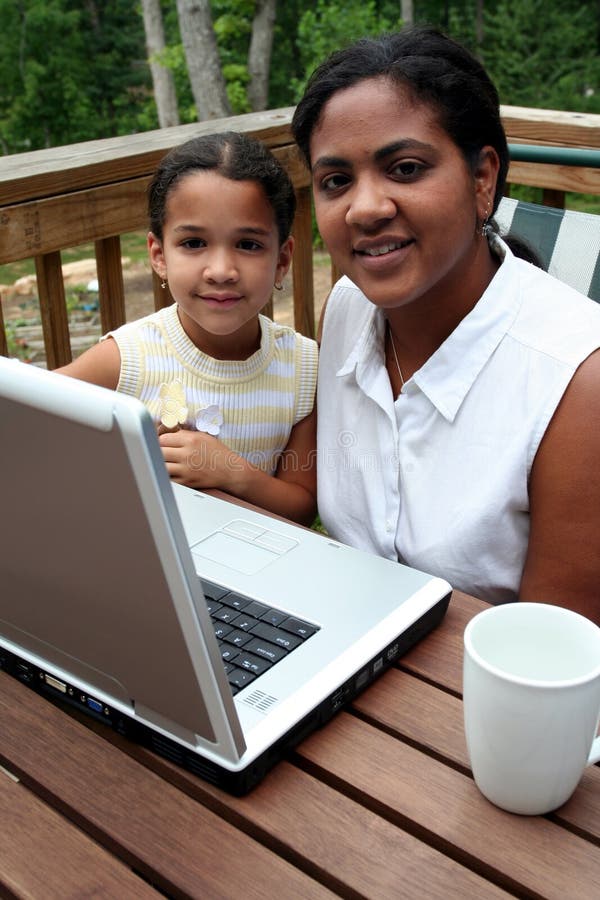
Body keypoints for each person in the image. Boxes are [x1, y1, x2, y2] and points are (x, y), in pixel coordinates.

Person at [291, 25, 600, 621]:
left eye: (405, 168)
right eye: (336, 181)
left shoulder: (576, 385)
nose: (366, 207)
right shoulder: (347, 310)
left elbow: (554, 666)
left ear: (483, 179)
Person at [58, 132, 318, 524]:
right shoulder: (128, 359)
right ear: (159, 256)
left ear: (282, 260)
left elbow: (301, 508)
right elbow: (30, 416)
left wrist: (228, 471)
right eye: (194, 243)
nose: (220, 271)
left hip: (255, 574)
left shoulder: (302, 367)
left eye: (248, 245)